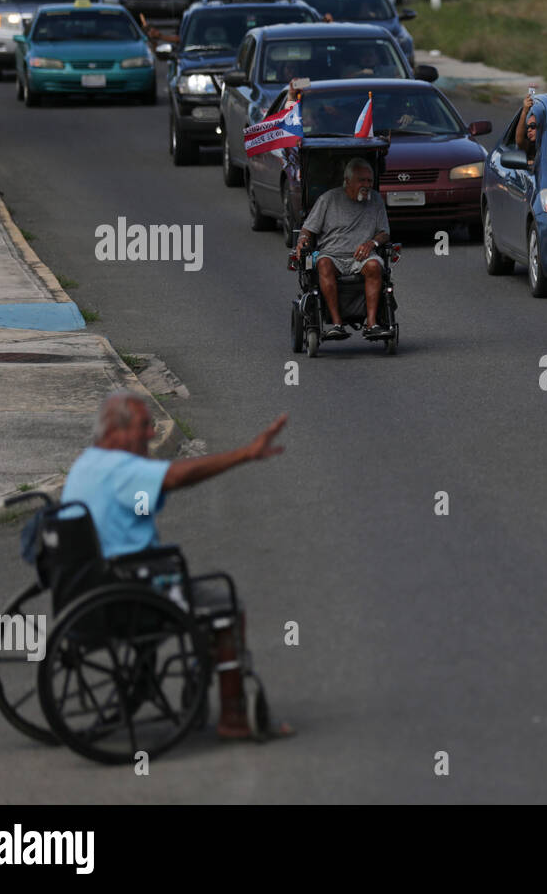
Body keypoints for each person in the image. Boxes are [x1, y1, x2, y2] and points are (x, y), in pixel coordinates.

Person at [60, 391, 291, 740]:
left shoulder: (88, 464)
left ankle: (194, 674)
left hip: (91, 587)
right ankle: (232, 716)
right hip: (131, 592)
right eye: (144, 426)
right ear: (116, 431)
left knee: (183, 581)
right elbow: (178, 476)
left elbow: (138, 506)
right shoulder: (122, 469)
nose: (152, 434)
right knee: (225, 605)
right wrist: (245, 453)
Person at [293, 157, 391, 339]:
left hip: (363, 256)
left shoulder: (376, 200)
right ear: (347, 181)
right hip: (333, 255)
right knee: (323, 263)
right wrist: (303, 240)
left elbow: (384, 232)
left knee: (375, 267)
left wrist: (372, 243)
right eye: (361, 180)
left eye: (369, 181)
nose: (367, 185)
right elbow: (307, 229)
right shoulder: (328, 199)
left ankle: (372, 323)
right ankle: (337, 324)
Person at [515, 90, 539, 168]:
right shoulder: (531, 146)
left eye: (532, 126)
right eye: (527, 127)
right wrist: (525, 111)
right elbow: (519, 140)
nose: (529, 130)